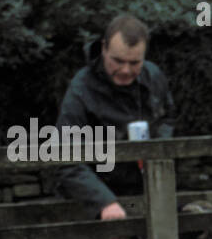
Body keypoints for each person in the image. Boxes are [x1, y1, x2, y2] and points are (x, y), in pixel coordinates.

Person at [55, 14, 176, 220]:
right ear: (104, 48)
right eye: (117, 61)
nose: (125, 70)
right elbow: (66, 158)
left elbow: (169, 119)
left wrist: (157, 149)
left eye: (135, 62)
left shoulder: (154, 77)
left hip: (146, 195)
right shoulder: (81, 90)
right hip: (92, 203)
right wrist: (104, 201)